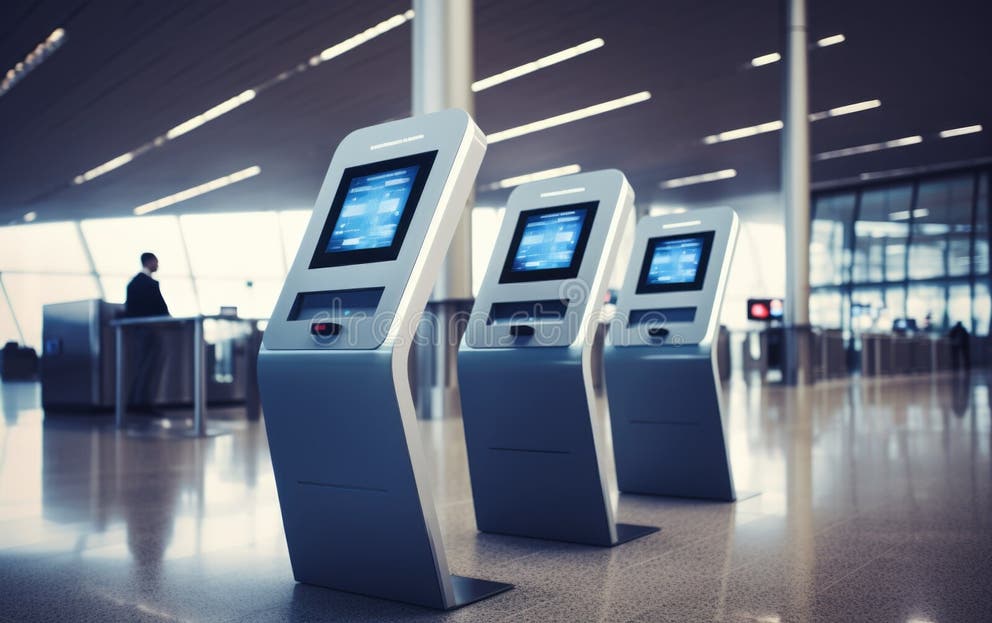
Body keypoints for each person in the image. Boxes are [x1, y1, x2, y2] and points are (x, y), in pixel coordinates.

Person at [125, 252, 170, 411]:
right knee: (150, 366)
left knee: (143, 365)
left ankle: (138, 402)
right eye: (156, 262)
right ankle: (144, 403)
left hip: (141, 331)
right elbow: (161, 308)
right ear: (149, 262)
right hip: (151, 330)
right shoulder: (148, 284)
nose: (157, 265)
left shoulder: (133, 284)